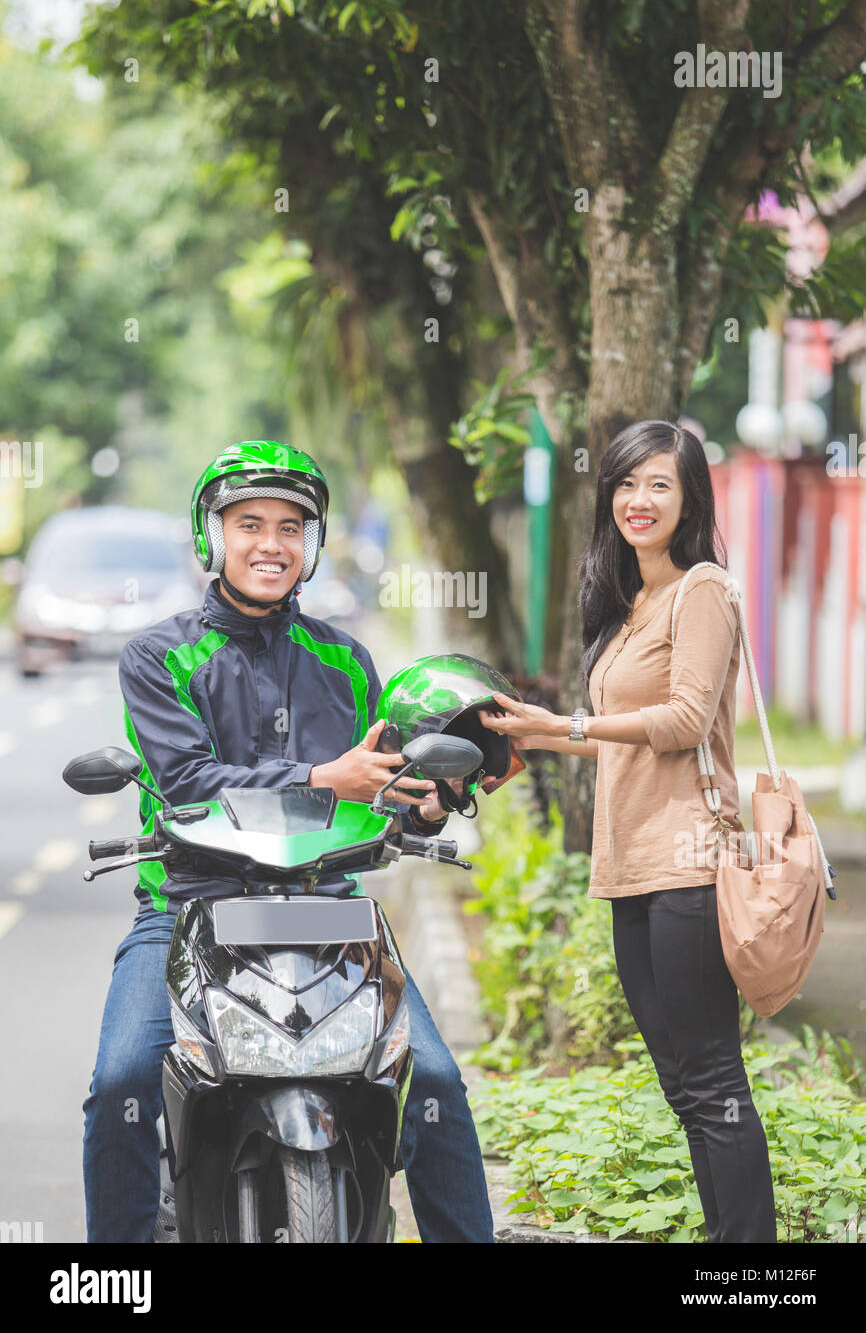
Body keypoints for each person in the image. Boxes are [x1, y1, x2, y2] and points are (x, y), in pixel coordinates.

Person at [82, 439, 494, 1243]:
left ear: (312, 544)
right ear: (213, 536)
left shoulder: (344, 659)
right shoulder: (158, 656)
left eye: (290, 527)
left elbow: (378, 795)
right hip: (190, 908)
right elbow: (188, 783)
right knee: (119, 1081)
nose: (271, 544)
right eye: (249, 524)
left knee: (435, 1082)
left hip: (328, 912)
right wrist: (319, 777)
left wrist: (430, 806)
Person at [479, 419, 777, 1244]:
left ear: (688, 500)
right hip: (629, 865)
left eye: (658, 485)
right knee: (682, 1082)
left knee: (713, 1079)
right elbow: (611, 724)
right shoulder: (628, 600)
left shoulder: (703, 589)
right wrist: (525, 733)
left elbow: (683, 721)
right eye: (624, 484)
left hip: (687, 857)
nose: (637, 501)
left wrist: (565, 728)